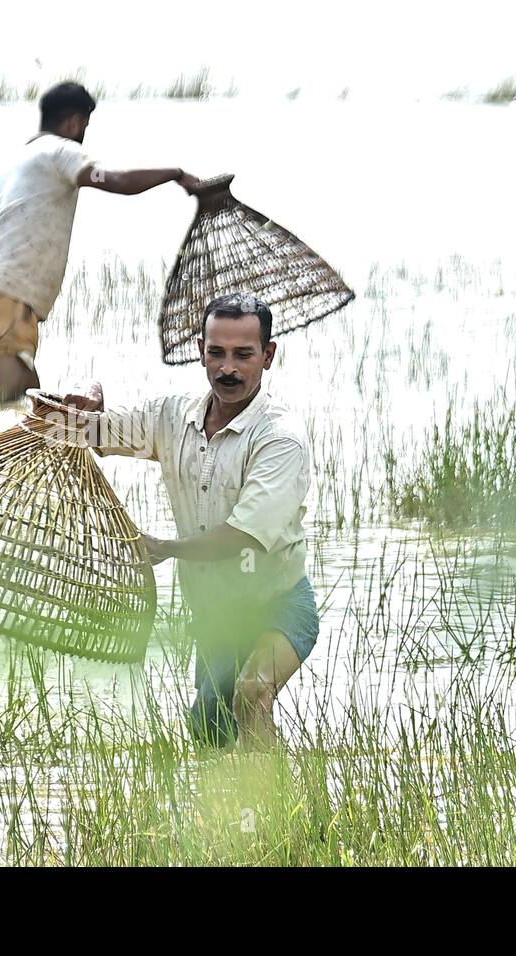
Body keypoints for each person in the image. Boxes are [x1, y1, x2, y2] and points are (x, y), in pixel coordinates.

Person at [49, 293, 317, 748]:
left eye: (243, 355)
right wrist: (86, 407)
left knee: (253, 694)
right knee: (211, 734)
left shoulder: (279, 438)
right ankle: (252, 812)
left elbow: (241, 537)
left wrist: (165, 549)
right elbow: (88, 429)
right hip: (214, 617)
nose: (227, 368)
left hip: (278, 602)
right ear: (201, 351)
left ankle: (279, 812)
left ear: (267, 356)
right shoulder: (174, 417)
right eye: (217, 353)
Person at [0, 81, 203, 404]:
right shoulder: (61, 151)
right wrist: (175, 173)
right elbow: (116, 180)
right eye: (85, 127)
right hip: (5, 298)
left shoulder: (14, 164)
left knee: (30, 404)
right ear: (75, 122)